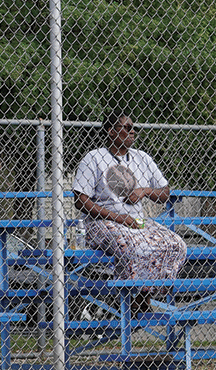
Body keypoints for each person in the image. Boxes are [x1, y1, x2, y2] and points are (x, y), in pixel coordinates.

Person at [71, 112, 187, 311]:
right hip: (101, 222)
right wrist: (119, 217)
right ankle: (127, 298)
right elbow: (81, 201)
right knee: (134, 246)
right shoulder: (94, 158)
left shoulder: (143, 158)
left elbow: (165, 192)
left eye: (133, 127)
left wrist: (144, 191)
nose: (132, 131)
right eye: (126, 127)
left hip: (136, 222)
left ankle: (146, 295)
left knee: (176, 244)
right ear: (110, 131)